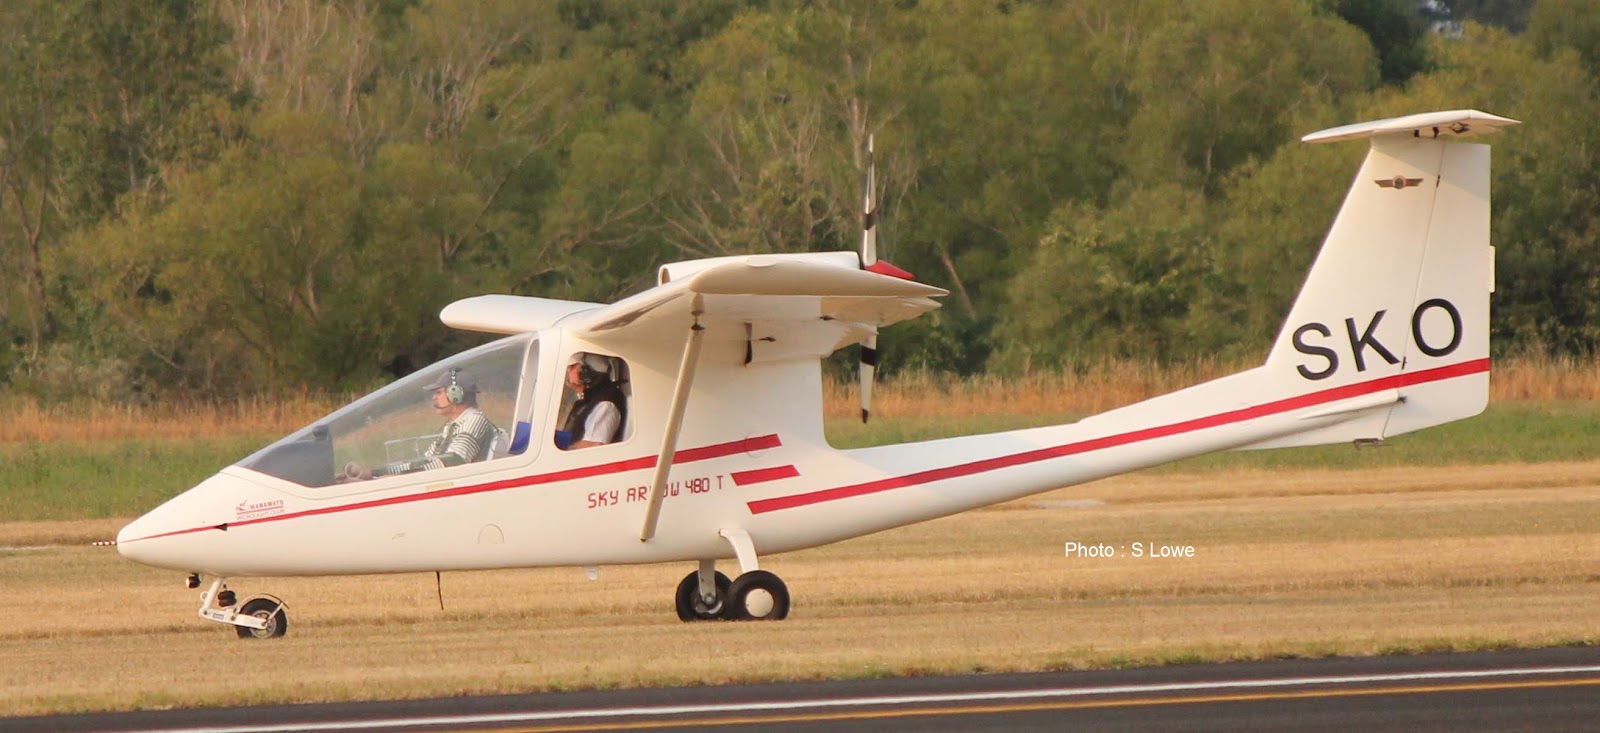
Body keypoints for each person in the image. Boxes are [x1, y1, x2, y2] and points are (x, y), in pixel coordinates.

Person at [344, 367, 499, 480]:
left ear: (456, 394)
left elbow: (453, 462)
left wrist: (399, 479)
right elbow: (424, 461)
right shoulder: (452, 426)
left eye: (439, 392)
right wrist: (374, 473)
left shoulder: (474, 421)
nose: (434, 398)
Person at [558, 352, 627, 449]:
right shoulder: (587, 401)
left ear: (585, 373)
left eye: (573, 367)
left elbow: (592, 446)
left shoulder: (606, 403)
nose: (569, 372)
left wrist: (560, 452)